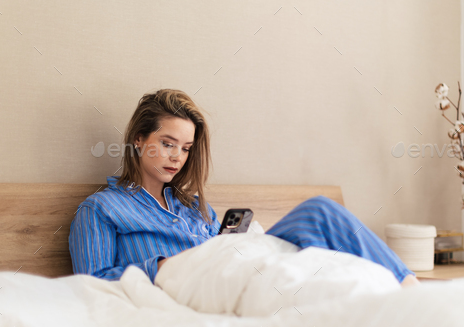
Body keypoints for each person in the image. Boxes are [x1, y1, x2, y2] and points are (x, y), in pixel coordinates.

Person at [69, 89, 420, 288]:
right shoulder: (101, 209)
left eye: (186, 148)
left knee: (319, 211)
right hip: (194, 285)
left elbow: (219, 247)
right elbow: (90, 284)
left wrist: (238, 240)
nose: (177, 157)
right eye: (167, 143)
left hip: (232, 266)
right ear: (138, 140)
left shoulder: (192, 206)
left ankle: (407, 287)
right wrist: (161, 265)